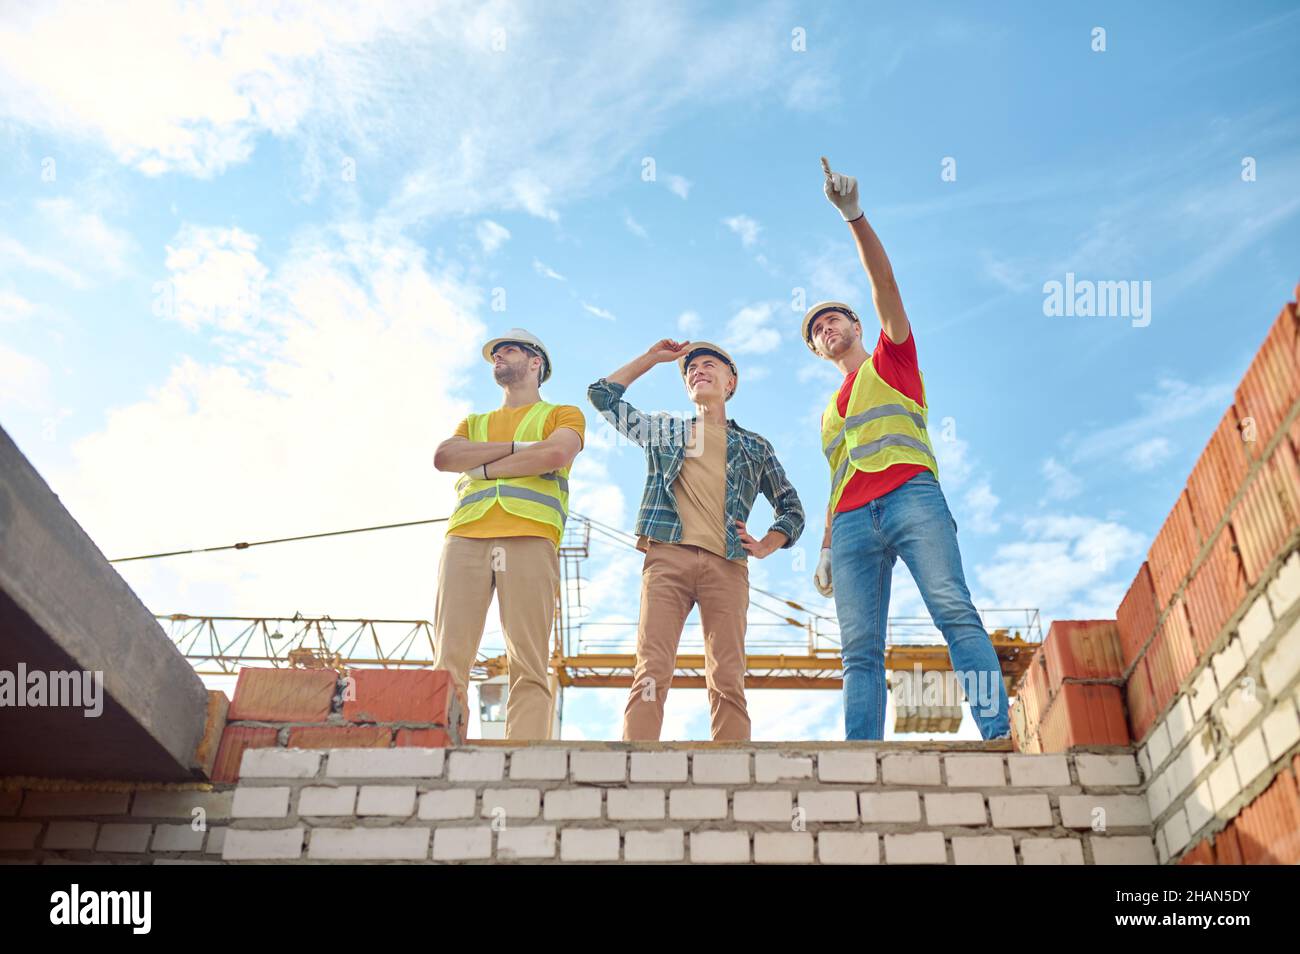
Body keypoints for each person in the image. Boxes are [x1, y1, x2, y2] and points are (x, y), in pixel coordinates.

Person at [806, 157, 1010, 741]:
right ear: (818, 349)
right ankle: (860, 760)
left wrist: (855, 217)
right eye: (816, 330)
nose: (825, 329)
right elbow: (837, 477)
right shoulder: (827, 412)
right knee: (859, 651)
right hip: (848, 525)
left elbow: (885, 287)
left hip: (910, 498)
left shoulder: (893, 360)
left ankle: (997, 733)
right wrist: (824, 543)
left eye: (833, 318)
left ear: (855, 324)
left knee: (954, 611)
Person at [588, 338, 804, 740]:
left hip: (728, 565)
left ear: (731, 382)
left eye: (708, 365)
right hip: (667, 558)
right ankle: (634, 764)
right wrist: (652, 359)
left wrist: (766, 544)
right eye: (690, 369)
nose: (697, 370)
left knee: (727, 673)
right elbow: (602, 396)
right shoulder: (664, 431)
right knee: (652, 668)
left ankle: (733, 772)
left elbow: (791, 508)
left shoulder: (755, 446)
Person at [432, 328, 584, 739]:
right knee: (448, 660)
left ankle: (525, 759)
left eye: (510, 350)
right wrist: (521, 450)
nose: (499, 355)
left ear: (536, 362)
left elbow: (555, 453)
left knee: (530, 661)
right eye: (495, 353)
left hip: (531, 536)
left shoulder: (563, 414)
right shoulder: (475, 421)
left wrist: (481, 467)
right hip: (466, 537)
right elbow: (445, 457)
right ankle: (439, 749)